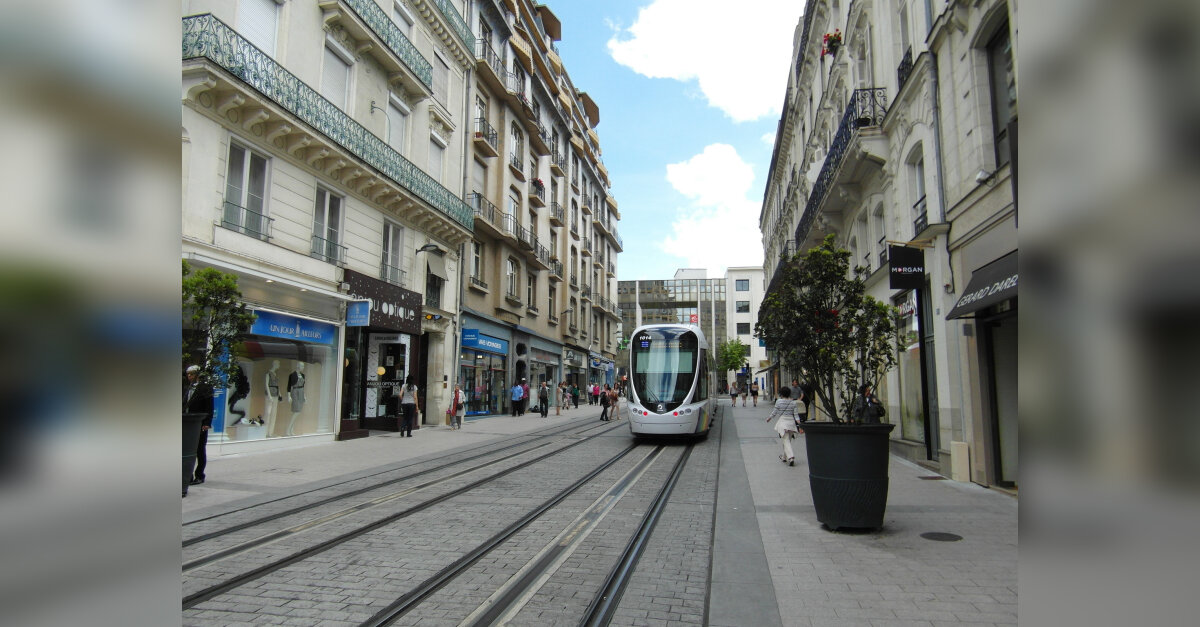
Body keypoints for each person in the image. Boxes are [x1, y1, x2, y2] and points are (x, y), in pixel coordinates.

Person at [183, 365, 214, 492]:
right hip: (188, 423)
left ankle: (200, 475)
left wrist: (207, 422)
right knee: (188, 450)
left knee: (200, 449)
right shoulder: (187, 388)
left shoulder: (205, 388)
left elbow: (209, 407)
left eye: (191, 374)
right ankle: (188, 475)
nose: (189, 377)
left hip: (200, 423)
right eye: (188, 374)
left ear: (197, 375)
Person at [764, 386, 802, 466]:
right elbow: (796, 415)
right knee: (788, 440)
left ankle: (791, 457)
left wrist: (769, 418)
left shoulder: (779, 401)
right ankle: (784, 457)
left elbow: (775, 412)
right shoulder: (793, 402)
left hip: (783, 422)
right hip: (791, 422)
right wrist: (800, 424)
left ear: (781, 394)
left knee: (786, 440)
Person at [286, 362, 306, 436]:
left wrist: (304, 395)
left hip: (301, 392)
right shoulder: (292, 375)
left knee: (297, 411)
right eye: (302, 366)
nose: (303, 367)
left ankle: (291, 430)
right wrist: (288, 396)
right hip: (295, 392)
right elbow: (289, 386)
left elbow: (303, 386)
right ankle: (288, 429)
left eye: (303, 366)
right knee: (296, 411)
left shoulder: (303, 375)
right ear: (297, 366)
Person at [264, 360, 282, 435]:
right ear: (274, 364)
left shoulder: (275, 374)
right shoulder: (268, 374)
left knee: (274, 413)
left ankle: (270, 432)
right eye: (278, 364)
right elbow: (266, 384)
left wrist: (280, 394)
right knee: (268, 413)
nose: (279, 365)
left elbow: (277, 385)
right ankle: (265, 431)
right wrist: (269, 395)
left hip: (275, 395)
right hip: (270, 395)